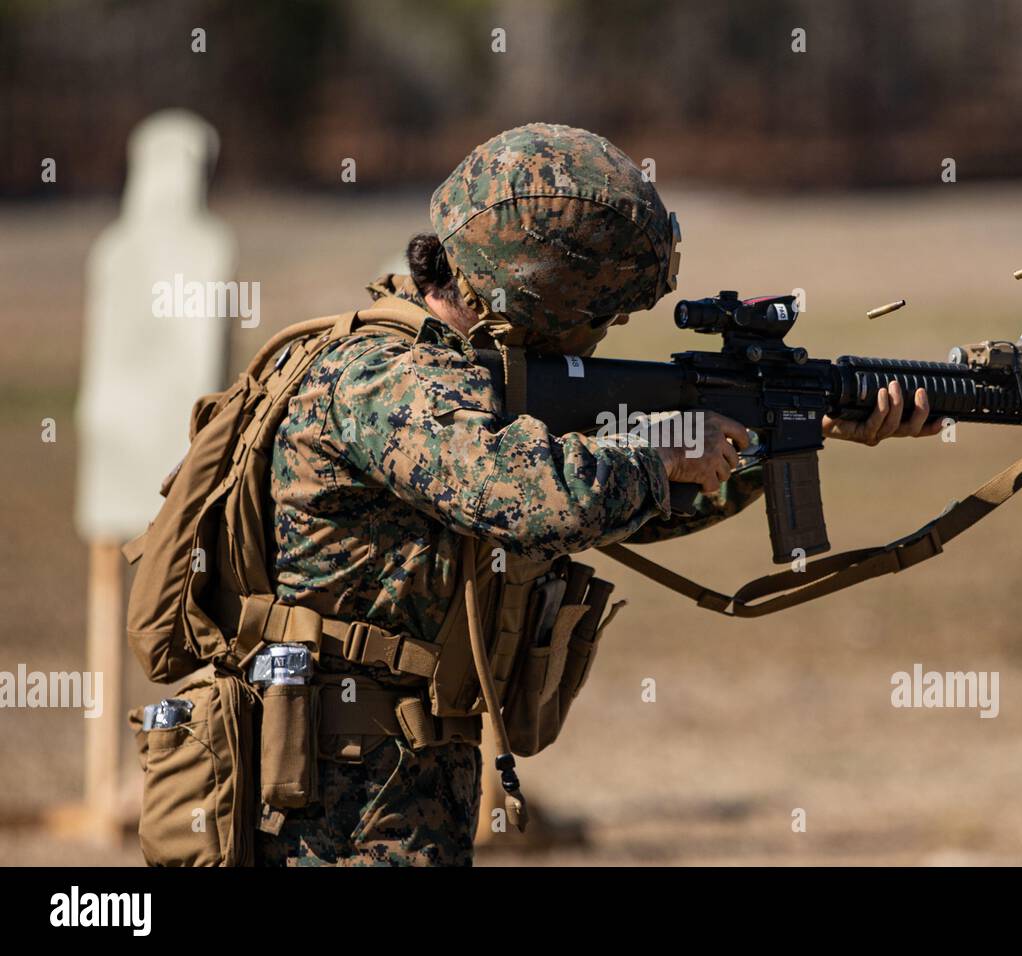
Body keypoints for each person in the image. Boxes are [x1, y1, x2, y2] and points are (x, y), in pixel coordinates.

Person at [257, 123, 939, 866]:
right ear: (541, 294)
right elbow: (529, 501)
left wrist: (782, 436)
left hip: (401, 780)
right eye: (602, 315)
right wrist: (655, 452)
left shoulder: (468, 381)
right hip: (326, 794)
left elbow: (618, 512)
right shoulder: (385, 377)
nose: (606, 334)